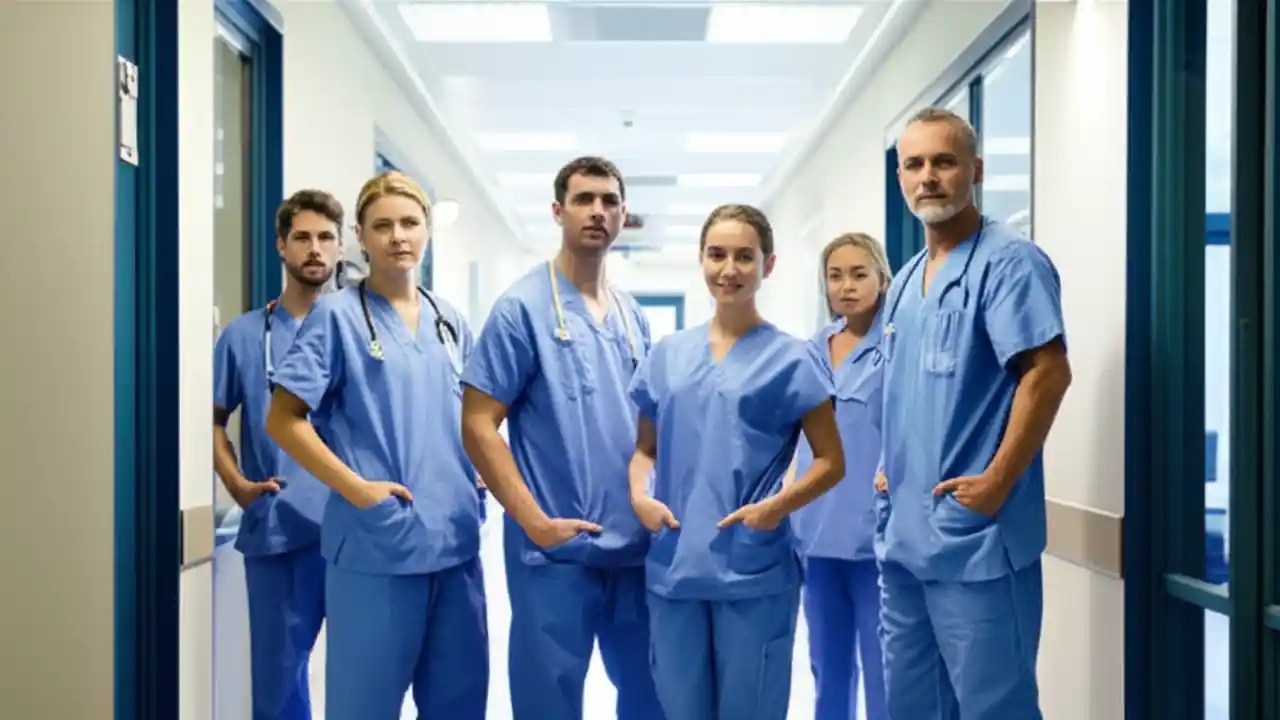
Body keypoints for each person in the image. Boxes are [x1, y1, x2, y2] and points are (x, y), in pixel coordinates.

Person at [265, 171, 487, 720]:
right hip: (376, 551)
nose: (398, 236)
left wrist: (477, 479)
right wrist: (358, 490)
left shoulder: (449, 321)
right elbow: (283, 419)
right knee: (364, 707)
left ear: (427, 230)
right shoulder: (336, 316)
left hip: (454, 545)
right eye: (382, 225)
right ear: (360, 237)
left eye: (410, 223)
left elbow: (471, 418)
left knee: (459, 705)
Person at [875, 106, 1072, 718]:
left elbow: (1048, 372)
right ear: (901, 177)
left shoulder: (1010, 263)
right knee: (914, 706)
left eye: (944, 161)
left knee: (995, 707)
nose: (928, 176)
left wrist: (995, 484)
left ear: (976, 170)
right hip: (905, 540)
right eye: (914, 164)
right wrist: (890, 469)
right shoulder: (907, 280)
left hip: (976, 543)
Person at [460, 156, 664, 720]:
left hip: (633, 548)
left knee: (652, 697)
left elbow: (646, 430)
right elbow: (477, 423)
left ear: (624, 214)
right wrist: (533, 521)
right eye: (584, 199)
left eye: (610, 201)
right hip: (553, 550)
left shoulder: (632, 316)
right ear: (558, 211)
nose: (598, 211)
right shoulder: (520, 309)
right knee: (547, 701)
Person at [627, 204, 846, 720]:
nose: (729, 269)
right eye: (717, 254)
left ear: (768, 266)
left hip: (753, 569)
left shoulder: (792, 358)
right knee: (680, 707)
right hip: (676, 563)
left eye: (744, 257)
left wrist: (775, 509)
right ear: (701, 259)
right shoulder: (667, 354)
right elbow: (645, 450)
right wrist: (640, 496)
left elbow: (831, 461)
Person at [213, 189, 343, 720]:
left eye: (326, 237)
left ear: (340, 248)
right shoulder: (245, 335)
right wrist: (237, 485)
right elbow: (213, 422)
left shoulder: (363, 328)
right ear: (281, 247)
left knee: (368, 676)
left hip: (357, 528)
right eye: (303, 237)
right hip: (281, 527)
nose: (315, 249)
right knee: (279, 682)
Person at [791, 233, 891, 720]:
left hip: (874, 538)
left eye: (859, 274)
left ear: (882, 279)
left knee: (883, 674)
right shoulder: (810, 350)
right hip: (815, 536)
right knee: (827, 672)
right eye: (835, 276)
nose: (846, 286)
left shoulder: (895, 348)